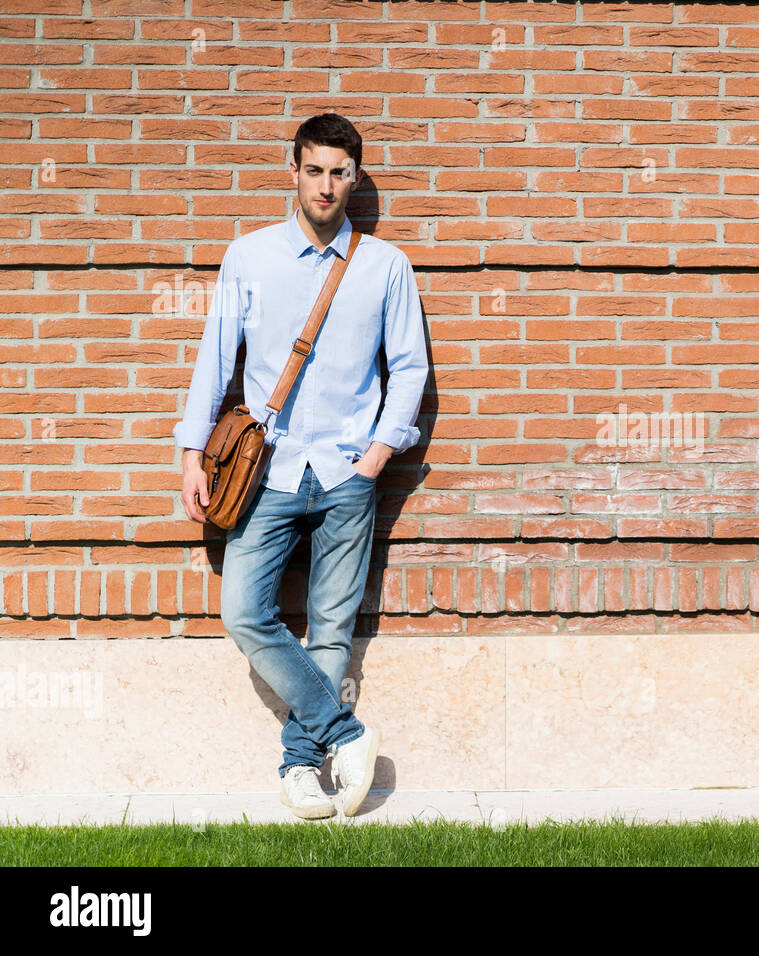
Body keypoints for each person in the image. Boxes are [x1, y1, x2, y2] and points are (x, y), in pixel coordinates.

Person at [172, 113, 429, 819]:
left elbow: (409, 368)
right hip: (267, 475)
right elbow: (214, 359)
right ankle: (343, 731)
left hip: (348, 473)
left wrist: (377, 455)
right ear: (294, 171)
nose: (326, 185)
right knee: (245, 613)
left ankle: (300, 769)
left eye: (339, 173)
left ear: (354, 178)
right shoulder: (249, 257)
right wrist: (192, 453)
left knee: (333, 628)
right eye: (314, 170)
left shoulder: (385, 266)